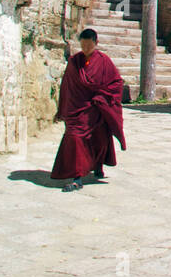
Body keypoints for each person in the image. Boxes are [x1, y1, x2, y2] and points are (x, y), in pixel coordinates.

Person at [51, 29, 126, 191]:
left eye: (89, 45)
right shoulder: (74, 62)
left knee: (99, 139)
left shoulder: (104, 61)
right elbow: (66, 86)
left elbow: (116, 83)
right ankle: (77, 177)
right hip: (77, 109)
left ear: (96, 43)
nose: (85, 49)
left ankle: (98, 165)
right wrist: (63, 108)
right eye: (83, 45)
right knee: (75, 137)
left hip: (96, 109)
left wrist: (101, 98)